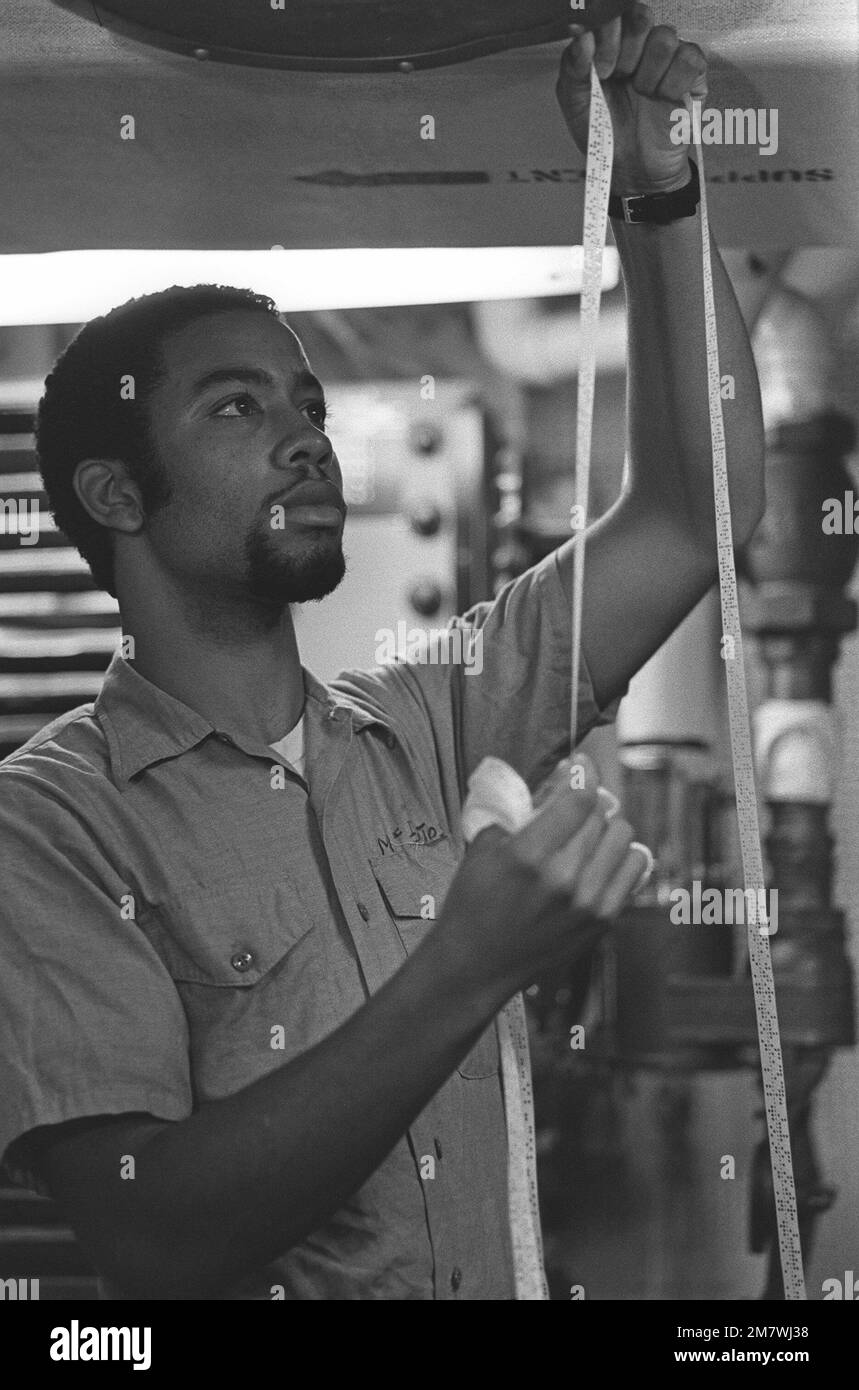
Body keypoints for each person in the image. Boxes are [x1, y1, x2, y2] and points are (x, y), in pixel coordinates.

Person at [0, 7, 764, 1300]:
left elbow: (696, 517)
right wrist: (468, 964)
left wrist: (658, 193)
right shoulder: (51, 827)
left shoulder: (429, 718)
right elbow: (153, 1235)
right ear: (118, 498)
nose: (309, 438)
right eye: (238, 407)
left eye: (307, 403)